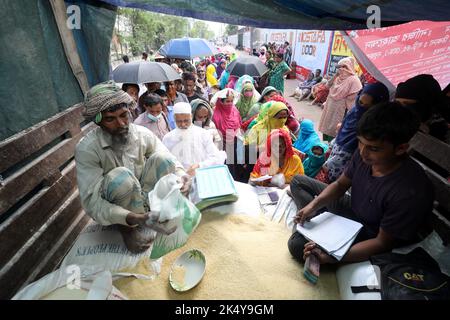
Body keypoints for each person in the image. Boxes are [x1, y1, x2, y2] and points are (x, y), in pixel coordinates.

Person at [287, 102, 432, 265]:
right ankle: (316, 219)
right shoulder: (364, 156)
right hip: (353, 209)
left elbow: (382, 243)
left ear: (400, 148)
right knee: (298, 181)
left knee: (297, 245)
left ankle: (318, 229)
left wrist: (331, 258)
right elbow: (341, 185)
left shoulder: (408, 191)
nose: (363, 152)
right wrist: (312, 206)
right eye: (360, 142)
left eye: (374, 148)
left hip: (370, 231)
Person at [75, 81, 191, 254]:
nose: (121, 124)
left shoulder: (141, 133)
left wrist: (182, 176)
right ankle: (128, 231)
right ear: (98, 122)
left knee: (163, 159)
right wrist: (130, 218)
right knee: (120, 177)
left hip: (145, 198)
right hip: (119, 211)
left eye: (124, 115)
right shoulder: (87, 149)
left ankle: (154, 214)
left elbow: (170, 160)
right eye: (110, 119)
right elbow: (92, 202)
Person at [324, 82, 390, 183]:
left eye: (367, 106)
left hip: (346, 162)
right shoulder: (353, 111)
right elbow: (342, 131)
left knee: (334, 182)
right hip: (336, 150)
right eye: (360, 102)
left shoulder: (373, 126)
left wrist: (330, 163)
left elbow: (351, 151)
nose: (361, 108)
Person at [163, 102, 226, 176]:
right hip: (178, 181)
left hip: (201, 177)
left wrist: (200, 166)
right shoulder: (168, 138)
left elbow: (216, 158)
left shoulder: (203, 134)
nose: (183, 124)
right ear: (174, 119)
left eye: (186, 121)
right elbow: (165, 162)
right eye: (179, 121)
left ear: (191, 116)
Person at [395, 74, 449, 142]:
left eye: (407, 104)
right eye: (397, 103)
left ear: (425, 103)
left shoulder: (441, 128)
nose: (400, 109)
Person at [318, 57, 362, 142]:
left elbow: (354, 99)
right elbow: (327, 86)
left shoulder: (354, 80)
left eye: (344, 67)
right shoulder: (338, 78)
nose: (342, 69)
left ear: (350, 67)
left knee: (336, 132)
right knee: (327, 129)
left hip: (341, 111)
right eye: (340, 67)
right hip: (330, 108)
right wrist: (335, 75)